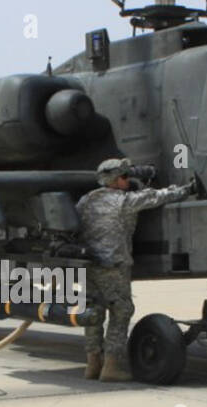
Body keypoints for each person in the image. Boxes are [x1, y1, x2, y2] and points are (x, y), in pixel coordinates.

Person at [76, 158, 194, 381]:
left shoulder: (85, 201)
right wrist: (187, 189)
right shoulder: (126, 201)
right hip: (114, 265)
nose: (127, 180)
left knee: (93, 313)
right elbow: (159, 196)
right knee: (121, 312)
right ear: (116, 179)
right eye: (124, 177)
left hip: (89, 265)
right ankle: (112, 367)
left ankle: (92, 364)